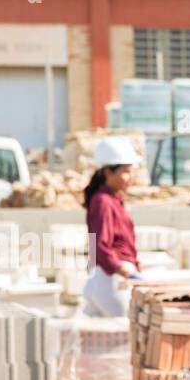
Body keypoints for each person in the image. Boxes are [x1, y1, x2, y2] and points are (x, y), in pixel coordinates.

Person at [82, 136, 144, 318]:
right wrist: (124, 270)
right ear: (108, 173)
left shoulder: (112, 200)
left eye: (132, 172)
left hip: (108, 278)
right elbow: (100, 245)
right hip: (111, 280)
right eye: (125, 172)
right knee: (126, 336)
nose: (130, 178)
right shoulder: (104, 202)